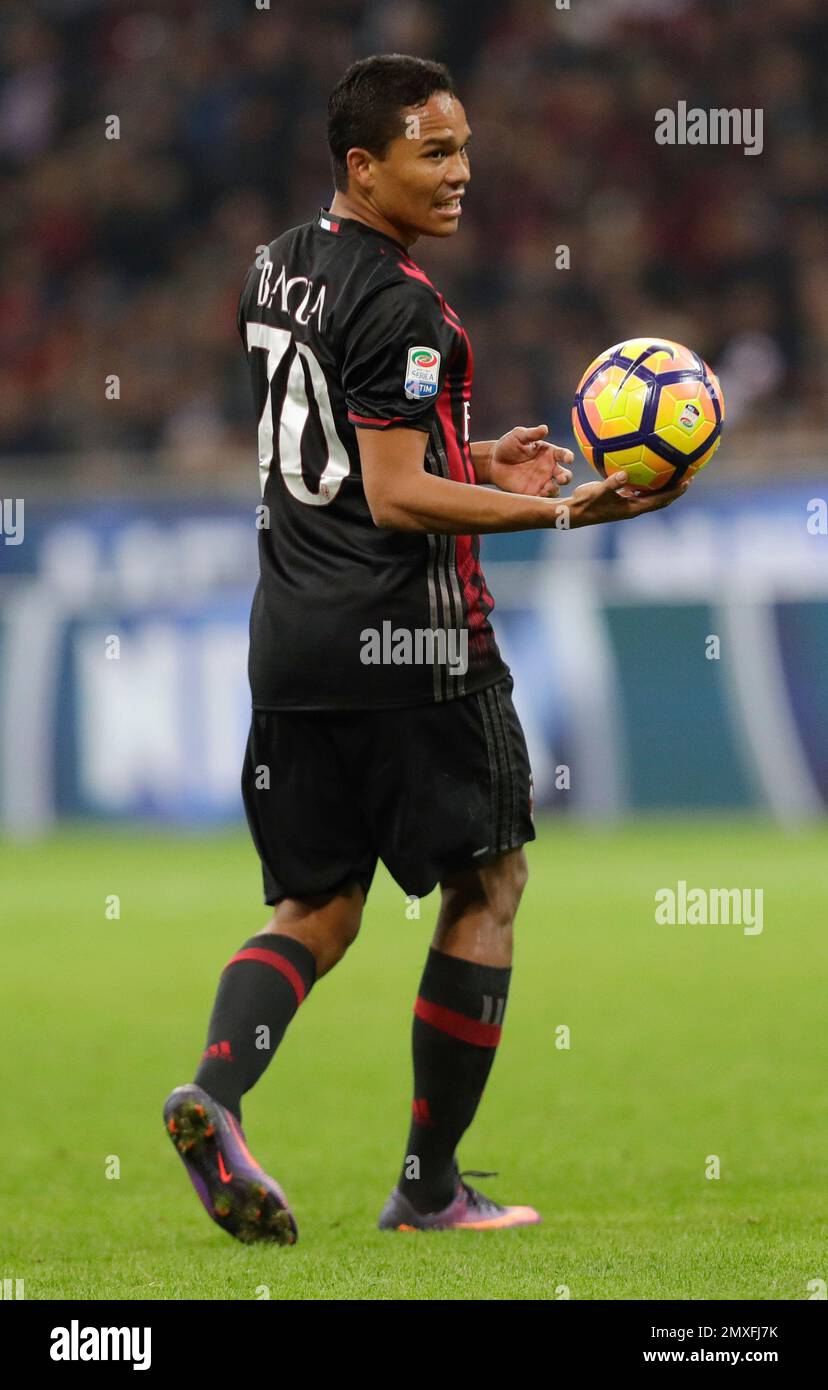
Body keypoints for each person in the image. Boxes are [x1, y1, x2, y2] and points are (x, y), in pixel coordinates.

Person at [163, 53, 689, 1242]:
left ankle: (217, 1091)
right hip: (415, 645)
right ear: (365, 165)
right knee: (488, 881)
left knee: (319, 904)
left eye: (464, 149)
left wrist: (479, 462)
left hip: (290, 640)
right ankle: (431, 1186)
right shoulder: (408, 306)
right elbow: (397, 499)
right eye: (433, 154)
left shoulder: (275, 265)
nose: (461, 175)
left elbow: (355, 457)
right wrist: (562, 509)